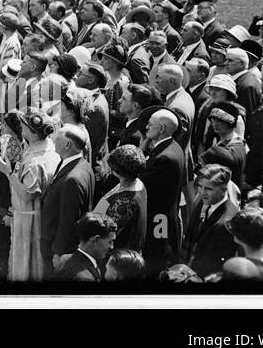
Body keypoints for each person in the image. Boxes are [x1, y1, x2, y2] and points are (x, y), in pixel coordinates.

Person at [0, 110, 61, 282]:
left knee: (27, 264)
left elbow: (27, 195)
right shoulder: (49, 149)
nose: (21, 127)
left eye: (24, 124)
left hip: (29, 221)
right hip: (41, 215)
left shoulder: (35, 161)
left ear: (32, 131)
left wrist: (8, 173)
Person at [138, 109, 187, 274]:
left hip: (159, 221)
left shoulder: (165, 157)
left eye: (150, 124)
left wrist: (139, 151)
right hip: (162, 217)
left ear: (161, 129)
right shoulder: (171, 147)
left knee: (156, 261)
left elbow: (140, 180)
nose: (146, 126)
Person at [43, 124, 95, 276]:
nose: (53, 141)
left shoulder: (73, 178)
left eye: (57, 139)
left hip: (57, 250)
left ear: (67, 144)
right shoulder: (82, 164)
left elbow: (69, 220)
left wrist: (60, 254)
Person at [181, 164, 240, 277]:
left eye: (208, 189)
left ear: (224, 190)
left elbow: (212, 266)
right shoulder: (204, 201)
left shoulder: (226, 223)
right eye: (200, 186)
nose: (202, 192)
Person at [92, 144, 149, 251]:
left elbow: (103, 233)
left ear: (118, 172)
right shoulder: (135, 183)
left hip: (116, 259)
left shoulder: (124, 202)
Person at [57, 213, 117, 282]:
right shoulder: (85, 278)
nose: (112, 247)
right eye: (110, 242)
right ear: (96, 240)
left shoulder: (64, 259)